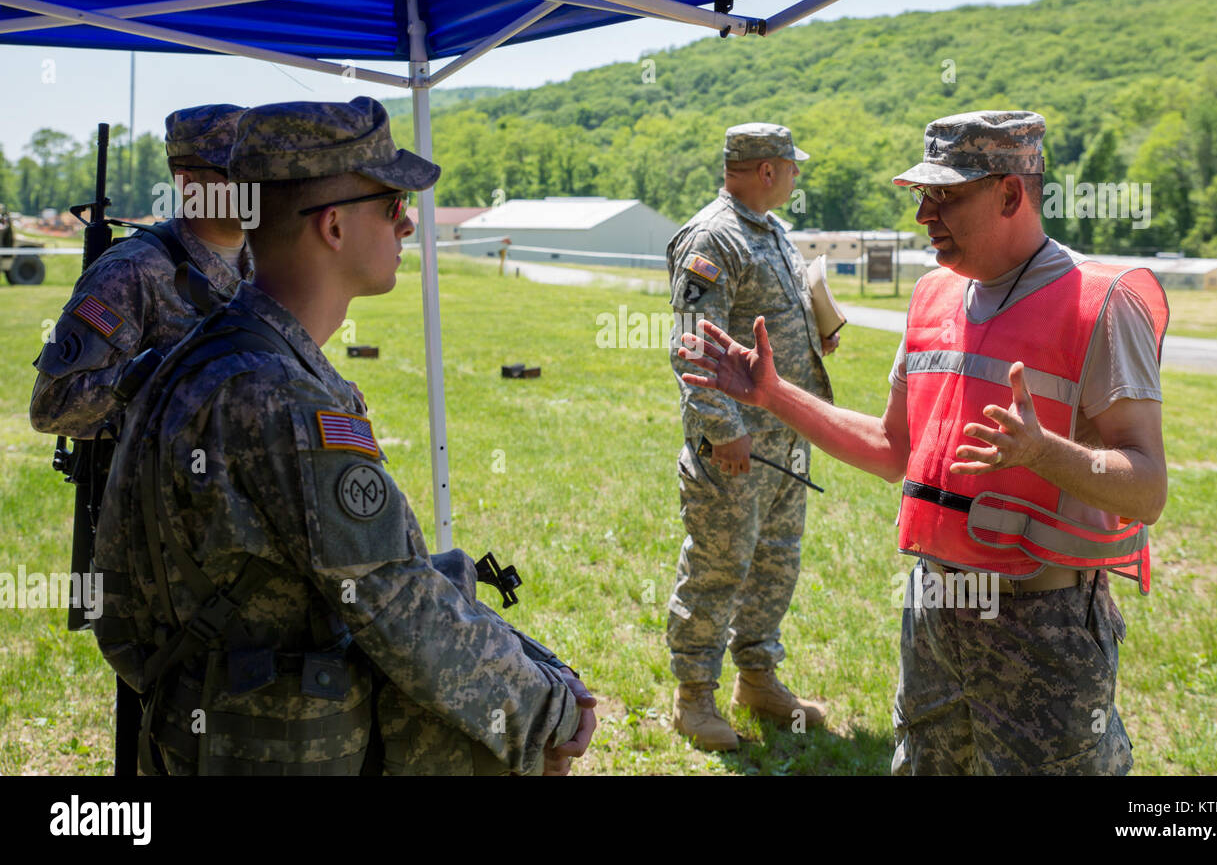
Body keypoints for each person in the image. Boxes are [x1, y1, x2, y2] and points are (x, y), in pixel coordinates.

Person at [92, 96, 596, 776]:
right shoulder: (279, 394)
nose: (408, 221)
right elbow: (402, 612)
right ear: (332, 225)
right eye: (392, 205)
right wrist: (549, 712)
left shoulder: (202, 356)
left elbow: (118, 606)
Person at [678, 110, 1169, 775]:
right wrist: (772, 394)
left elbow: (1146, 488)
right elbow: (891, 447)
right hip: (935, 611)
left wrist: (1043, 451)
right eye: (921, 196)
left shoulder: (1102, 304)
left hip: (1043, 626)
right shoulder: (932, 296)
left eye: (946, 195)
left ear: (1009, 193)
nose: (924, 216)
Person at [666, 122, 838, 751]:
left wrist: (816, 335)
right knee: (719, 564)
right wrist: (722, 430)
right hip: (738, 446)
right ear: (767, 169)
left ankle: (757, 677)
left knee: (775, 561)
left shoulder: (770, 232)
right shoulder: (715, 237)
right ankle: (694, 696)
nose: (796, 175)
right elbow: (693, 347)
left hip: (786, 438)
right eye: (792, 166)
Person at [30, 104, 255, 440]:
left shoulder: (268, 264)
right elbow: (54, 408)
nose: (258, 184)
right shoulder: (132, 272)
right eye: (237, 173)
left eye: (264, 170)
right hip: (155, 487)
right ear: (188, 181)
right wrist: (185, 378)